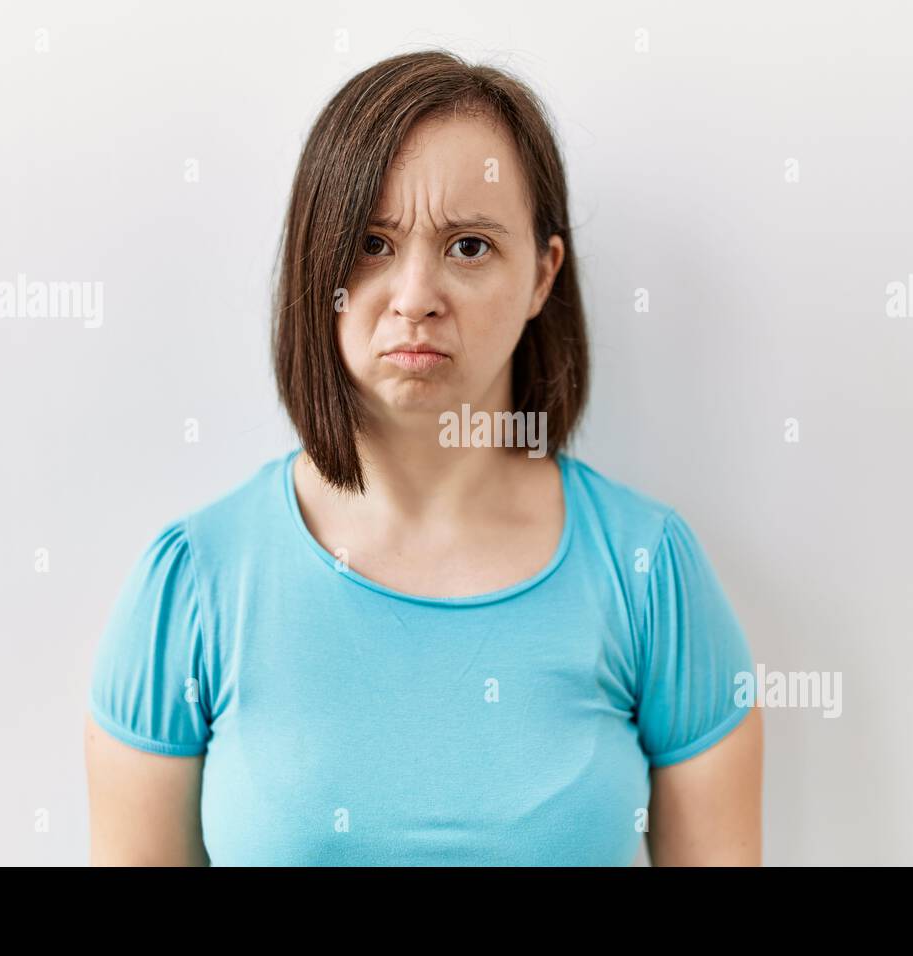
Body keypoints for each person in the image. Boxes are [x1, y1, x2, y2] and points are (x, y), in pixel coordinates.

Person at [84, 49, 763, 866]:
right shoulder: (189, 587)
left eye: (470, 246)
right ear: (315, 261)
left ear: (543, 275)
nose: (414, 297)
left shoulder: (651, 571)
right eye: (371, 243)